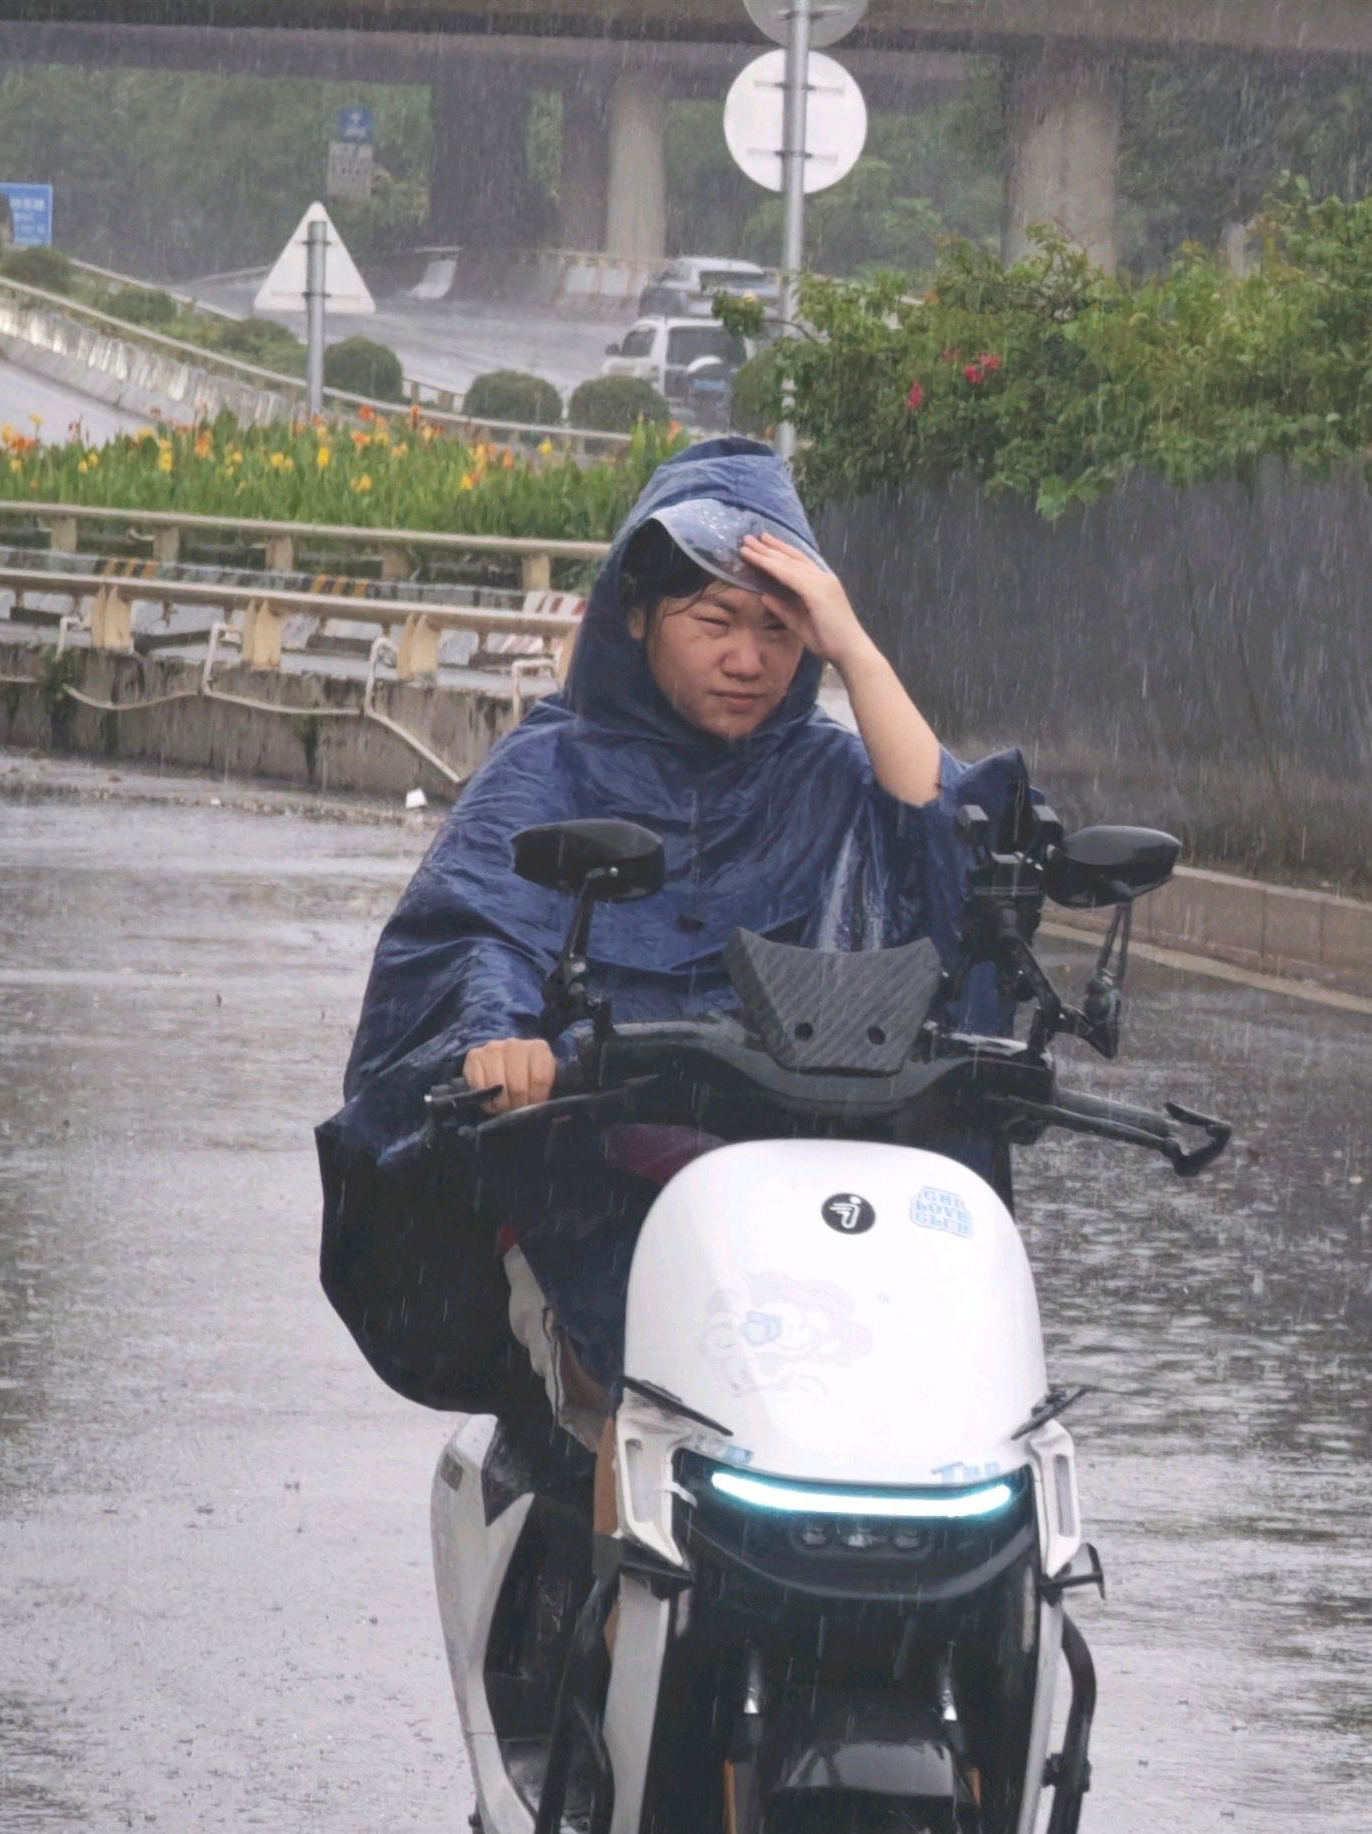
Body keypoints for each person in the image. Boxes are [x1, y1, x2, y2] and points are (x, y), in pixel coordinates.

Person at [317, 436, 1026, 1476]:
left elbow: (955, 869)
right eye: (715, 622)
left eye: (780, 630)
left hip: (811, 1183)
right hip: (598, 1178)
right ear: (638, 613)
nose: (748, 660)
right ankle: (620, 1566)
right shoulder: (549, 769)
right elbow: (478, 933)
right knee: (642, 1407)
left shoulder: (835, 778)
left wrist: (857, 650)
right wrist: (501, 1043)